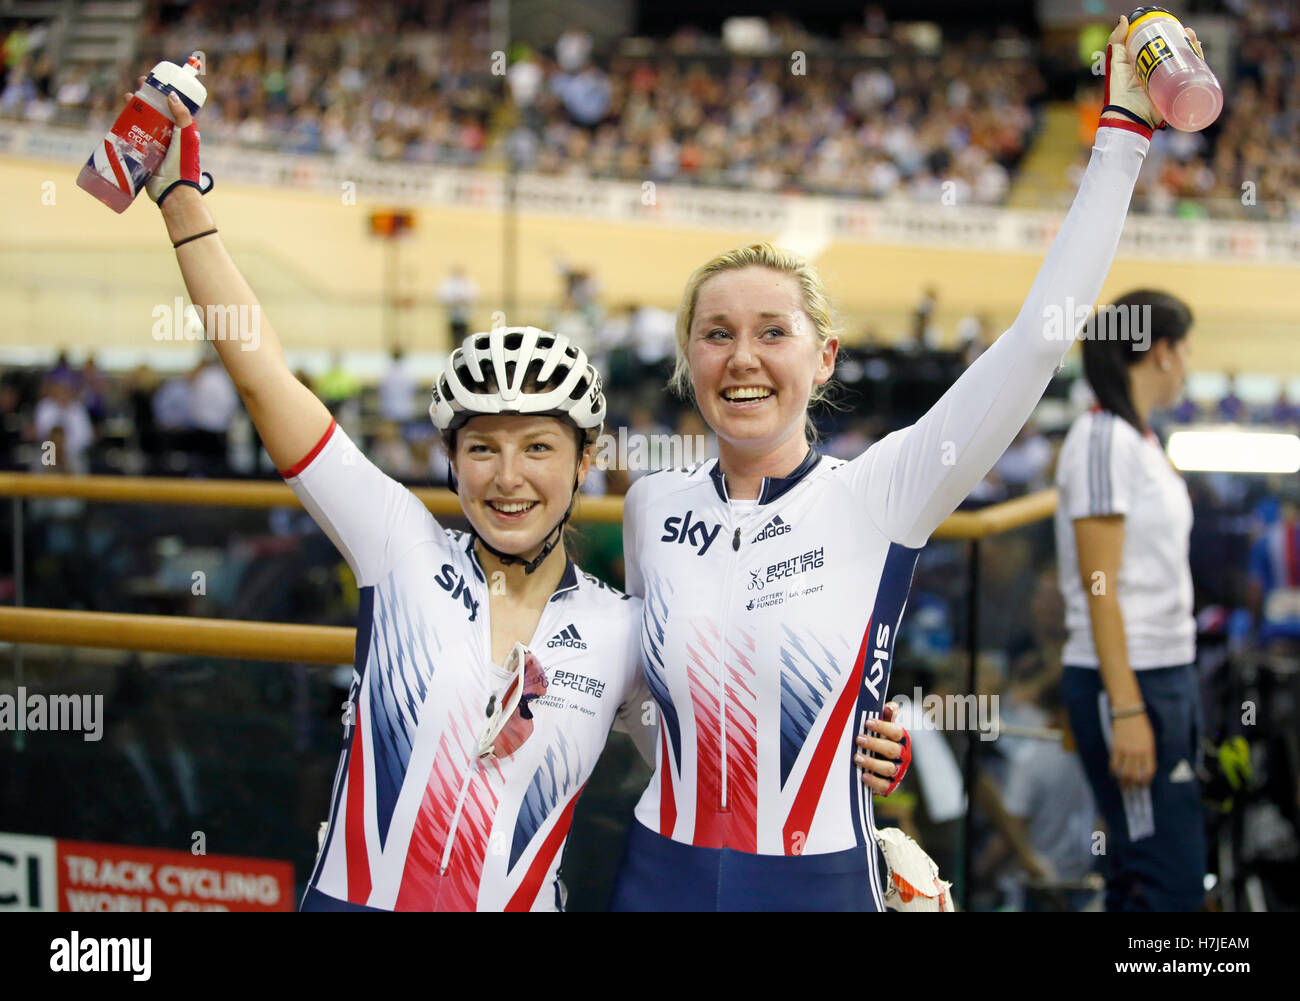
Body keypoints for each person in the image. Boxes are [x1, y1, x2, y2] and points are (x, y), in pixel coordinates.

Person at [126, 77, 912, 910]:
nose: (508, 477)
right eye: (481, 449)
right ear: (451, 461)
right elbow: (263, 378)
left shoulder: (618, 629)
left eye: (538, 447)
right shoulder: (397, 547)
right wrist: (180, 200)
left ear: (583, 466)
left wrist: (868, 742)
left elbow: (730, 719)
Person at [609, 16, 1183, 911]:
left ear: (825, 356)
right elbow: (651, 709)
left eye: (773, 332)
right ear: (689, 358)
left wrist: (1121, 137)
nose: (743, 357)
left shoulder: (880, 494)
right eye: (716, 334)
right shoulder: (650, 503)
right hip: (658, 871)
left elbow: (1035, 346)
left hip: (818, 879)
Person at [1053, 289, 1206, 911]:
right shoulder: (1102, 440)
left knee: (1150, 875)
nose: (1188, 364)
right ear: (1162, 353)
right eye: (1186, 349)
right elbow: (1100, 585)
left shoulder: (1138, 440)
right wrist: (1125, 709)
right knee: (1160, 884)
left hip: (1162, 674)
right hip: (1130, 681)